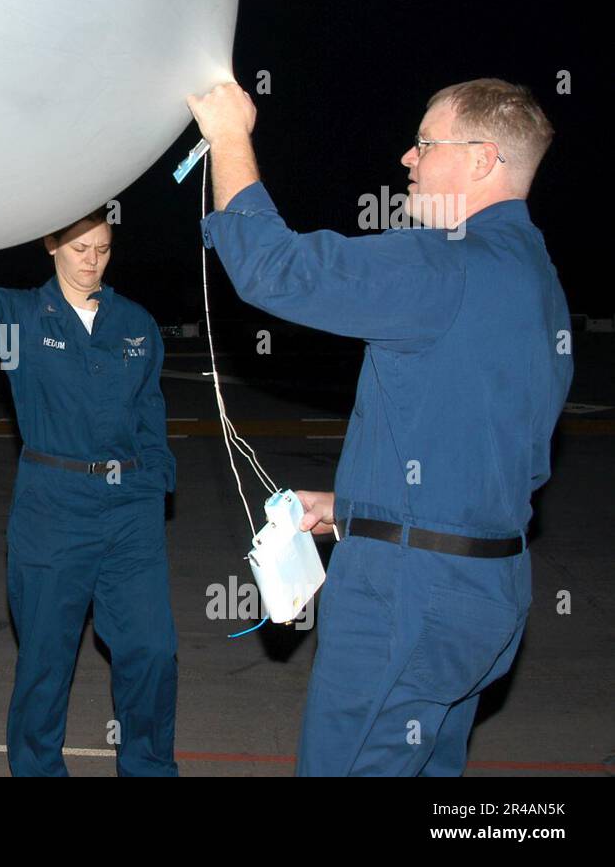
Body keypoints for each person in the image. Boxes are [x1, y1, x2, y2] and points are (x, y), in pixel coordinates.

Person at [186, 78, 572, 776]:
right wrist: (352, 512)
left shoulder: (443, 261)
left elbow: (272, 269)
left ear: (483, 160)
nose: (406, 158)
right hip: (491, 592)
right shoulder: (540, 282)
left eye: (426, 143)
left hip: (408, 596)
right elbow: (503, 459)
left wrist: (229, 137)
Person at [0, 208, 179, 776]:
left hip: (130, 512)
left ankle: (149, 768)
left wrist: (156, 479)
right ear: (50, 244)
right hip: (53, 507)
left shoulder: (135, 322)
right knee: (45, 661)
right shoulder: (19, 316)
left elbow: (149, 410)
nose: (92, 262)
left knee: (152, 652)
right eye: (79, 249)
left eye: (103, 249)